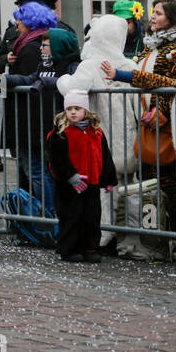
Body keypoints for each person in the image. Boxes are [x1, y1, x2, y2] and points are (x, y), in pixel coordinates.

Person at [104, 0, 176, 258]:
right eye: (153, 12)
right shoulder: (153, 44)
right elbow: (159, 80)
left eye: (159, 13)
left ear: (173, 17)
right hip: (153, 122)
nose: (153, 17)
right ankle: (166, 240)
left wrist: (165, 110)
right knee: (157, 182)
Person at [2, 0, 63, 212]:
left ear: (29, 22)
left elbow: (29, 80)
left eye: (19, 21)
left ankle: (48, 214)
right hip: (38, 120)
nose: (16, 25)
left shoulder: (30, 47)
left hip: (32, 120)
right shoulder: (37, 44)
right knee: (38, 169)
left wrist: (9, 78)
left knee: (36, 170)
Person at [44, 90, 117, 263]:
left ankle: (90, 248)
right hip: (69, 186)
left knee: (91, 217)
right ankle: (68, 249)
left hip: (91, 183)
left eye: (77, 108)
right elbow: (56, 159)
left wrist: (108, 178)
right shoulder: (60, 133)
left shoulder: (97, 133)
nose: (73, 112)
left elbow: (104, 156)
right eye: (69, 109)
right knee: (71, 217)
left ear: (85, 110)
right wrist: (70, 176)